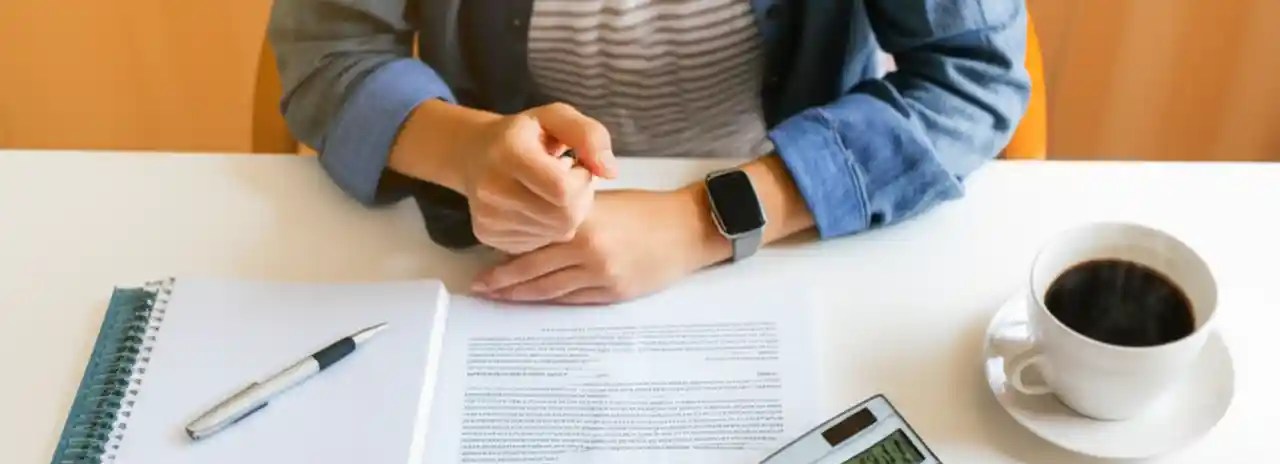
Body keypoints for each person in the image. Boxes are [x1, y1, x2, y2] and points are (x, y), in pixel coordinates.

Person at [268, 0, 1030, 304]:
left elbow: (972, 77)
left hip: (793, 231)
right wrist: (466, 150)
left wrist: (704, 221)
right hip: (489, 252)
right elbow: (328, 50)